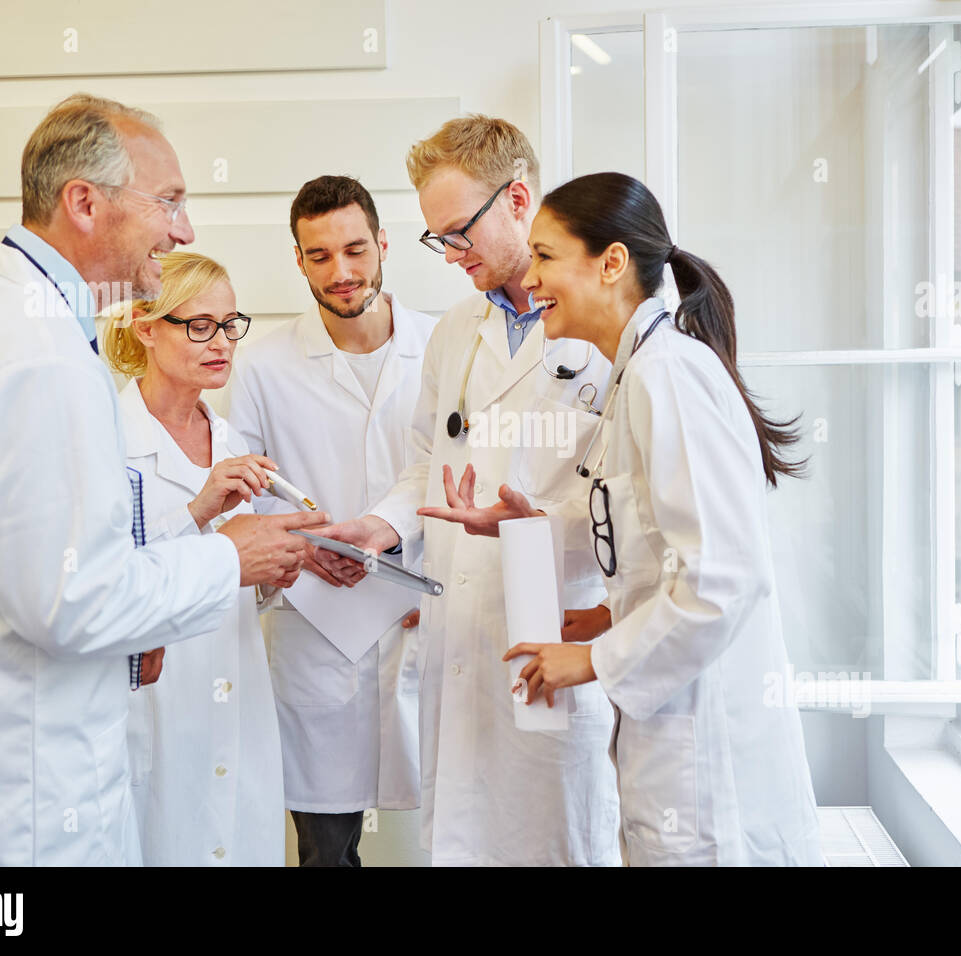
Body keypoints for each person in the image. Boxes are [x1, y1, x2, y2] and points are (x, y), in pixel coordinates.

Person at [0, 94, 316, 866]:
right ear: (84, 202)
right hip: (25, 805)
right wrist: (229, 556)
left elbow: (17, 569)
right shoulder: (39, 353)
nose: (184, 229)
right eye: (169, 202)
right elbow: (70, 600)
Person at [432, 171, 824, 866]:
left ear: (612, 264)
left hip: (708, 762)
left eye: (548, 256)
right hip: (671, 743)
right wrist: (607, 611)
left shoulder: (666, 373)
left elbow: (724, 580)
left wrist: (591, 658)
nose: (534, 276)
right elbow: (652, 535)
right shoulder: (639, 370)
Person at [310, 116, 621, 866]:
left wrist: (535, 523)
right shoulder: (456, 329)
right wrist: (383, 527)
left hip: (552, 620)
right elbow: (427, 458)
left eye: (459, 233)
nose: (449, 255)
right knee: (465, 840)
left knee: (560, 837)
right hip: (460, 636)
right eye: (436, 239)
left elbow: (628, 505)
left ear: (519, 199)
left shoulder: (602, 331)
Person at [228, 176, 432, 866]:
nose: (341, 273)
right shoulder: (259, 366)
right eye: (319, 256)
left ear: (382, 244)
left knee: (462, 828)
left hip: (425, 618)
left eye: (354, 250)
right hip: (315, 627)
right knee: (324, 851)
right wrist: (306, 549)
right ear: (298, 260)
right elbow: (241, 496)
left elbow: (465, 474)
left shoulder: (446, 347)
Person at [103, 251, 296, 866]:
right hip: (153, 700)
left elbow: (236, 575)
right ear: (146, 326)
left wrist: (281, 566)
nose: (222, 343)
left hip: (235, 693)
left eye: (230, 323)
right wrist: (197, 510)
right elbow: (99, 582)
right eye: (200, 326)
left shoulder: (232, 438)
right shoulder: (107, 437)